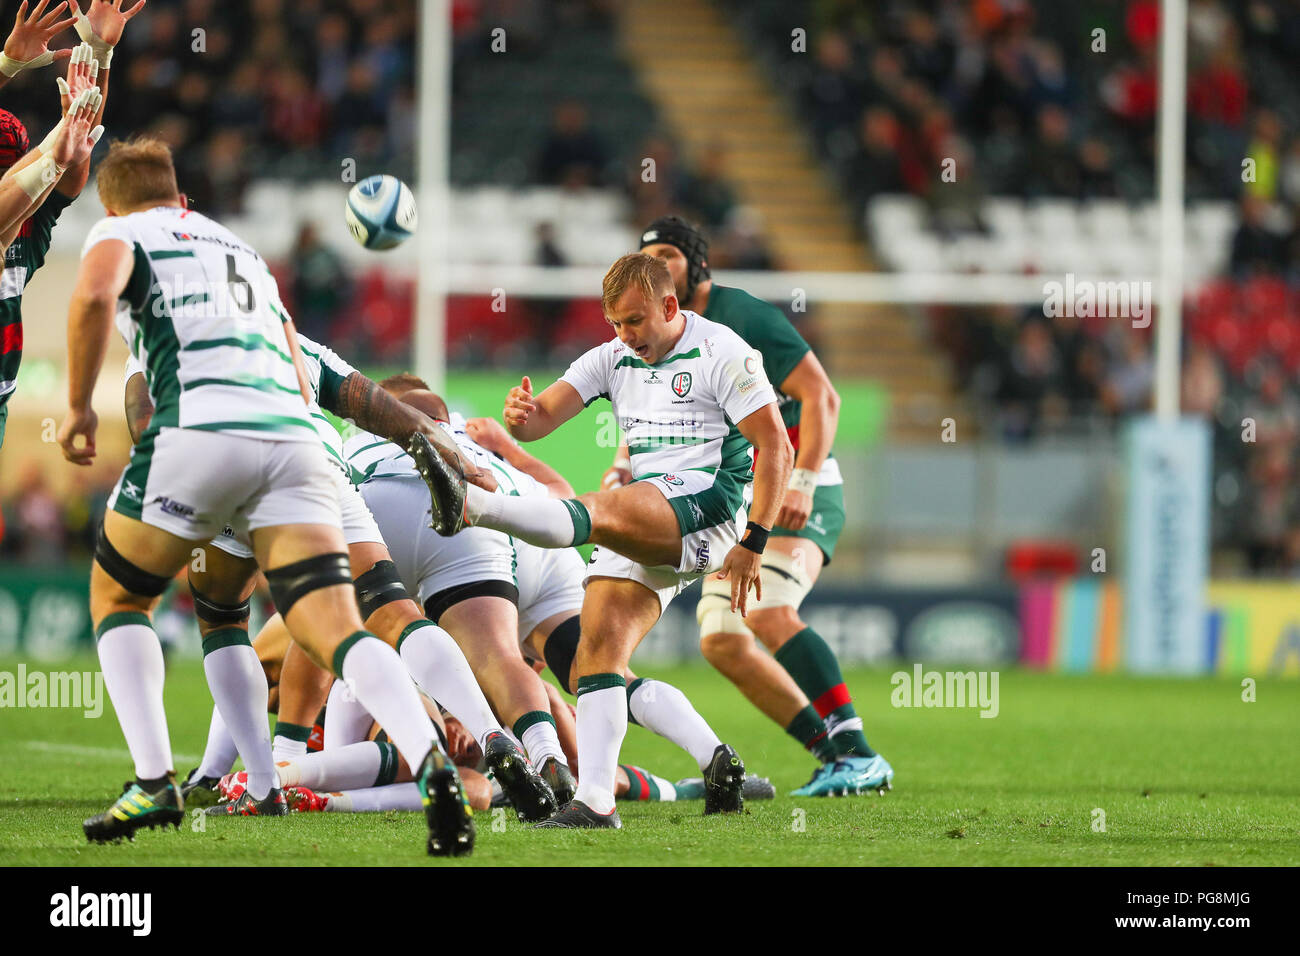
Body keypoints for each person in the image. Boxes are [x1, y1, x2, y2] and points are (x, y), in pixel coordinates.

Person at [56, 137, 473, 855]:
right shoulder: (241, 251)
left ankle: (156, 782)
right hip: (294, 443)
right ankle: (431, 759)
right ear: (183, 197)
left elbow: (93, 294)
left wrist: (76, 408)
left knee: (121, 598)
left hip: (199, 428)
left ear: (113, 200)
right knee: (335, 628)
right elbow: (303, 375)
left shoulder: (119, 229)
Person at [413, 252, 794, 828]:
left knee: (598, 507)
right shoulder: (613, 356)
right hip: (652, 510)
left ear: (670, 305)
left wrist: (755, 541)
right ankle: (610, 797)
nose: (624, 335)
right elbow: (541, 417)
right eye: (614, 322)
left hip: (708, 505)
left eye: (635, 321)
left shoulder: (725, 353)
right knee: (597, 655)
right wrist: (522, 415)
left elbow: (777, 448)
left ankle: (473, 507)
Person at [124, 336, 557, 822]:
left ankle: (262, 776)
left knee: (230, 621)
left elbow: (146, 423)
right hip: (326, 467)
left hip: (228, 464)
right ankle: (486, 740)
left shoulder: (156, 326)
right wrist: (456, 457)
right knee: (389, 615)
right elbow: (371, 400)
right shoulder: (280, 326)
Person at [634, 216, 894, 797]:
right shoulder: (661, 339)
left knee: (769, 609)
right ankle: (836, 756)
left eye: (669, 254)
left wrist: (802, 479)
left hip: (803, 485)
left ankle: (859, 751)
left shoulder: (744, 316)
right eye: (648, 256)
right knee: (721, 639)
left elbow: (821, 394)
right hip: (741, 500)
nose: (659, 265)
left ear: (697, 264)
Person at [0, 0, 135, 448]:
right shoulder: (25, 223)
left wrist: (97, 55)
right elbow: (62, 155)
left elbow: (74, 154)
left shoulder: (27, 222)